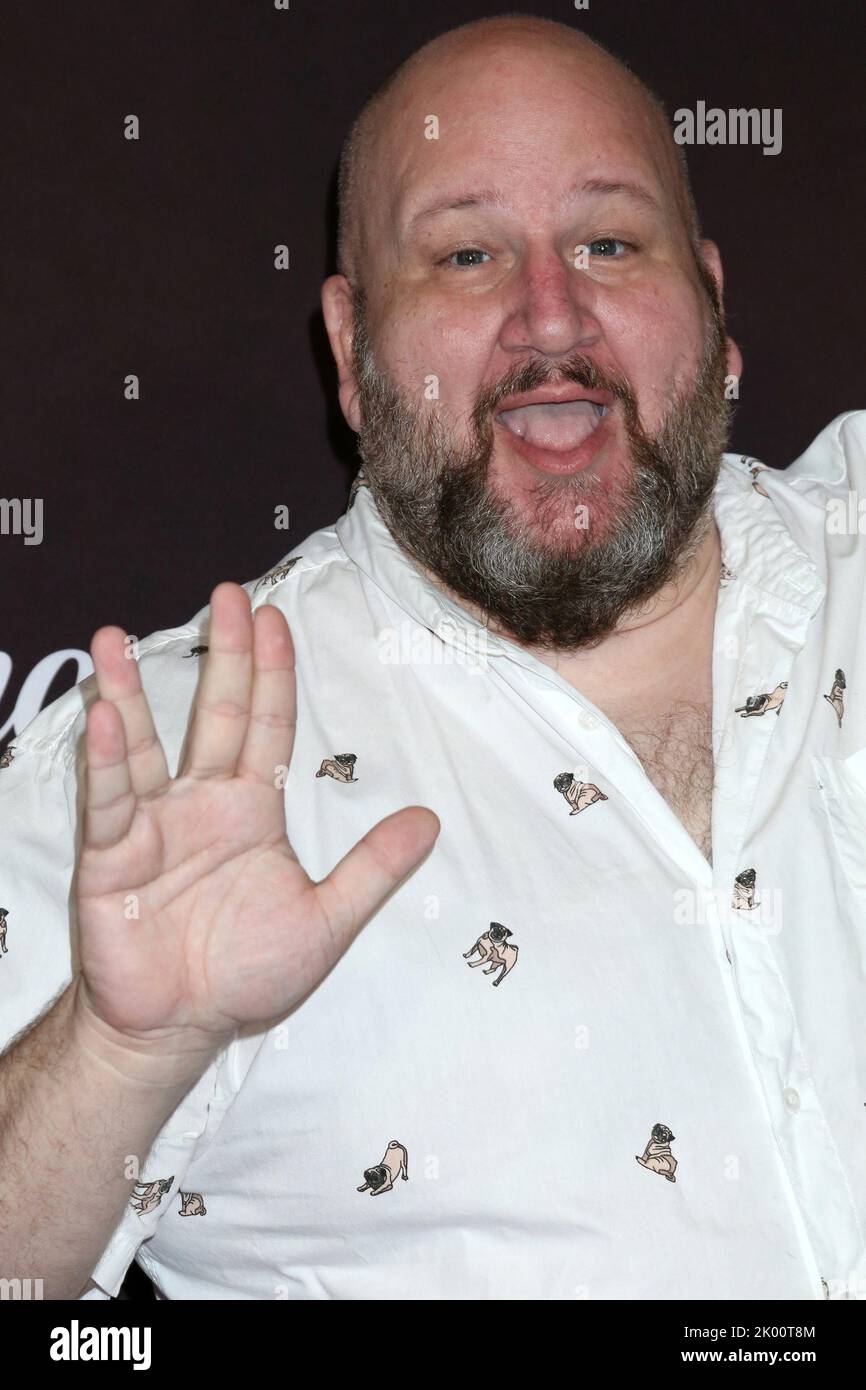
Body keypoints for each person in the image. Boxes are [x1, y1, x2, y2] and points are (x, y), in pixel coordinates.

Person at [1, 13, 865, 1301]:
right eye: (466, 256)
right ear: (350, 354)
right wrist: (120, 1050)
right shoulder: (160, 763)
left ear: (716, 307)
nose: (550, 313)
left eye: (610, 242)